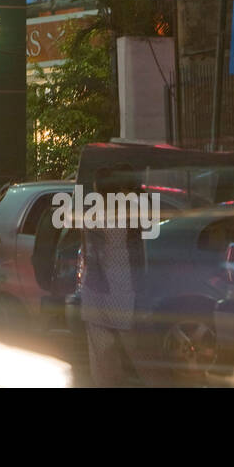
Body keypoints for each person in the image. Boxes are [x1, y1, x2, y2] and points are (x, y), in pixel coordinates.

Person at [78, 165, 151, 386]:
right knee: (138, 351)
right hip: (123, 286)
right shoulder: (129, 209)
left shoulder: (92, 212)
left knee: (102, 357)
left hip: (97, 288)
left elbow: (87, 250)